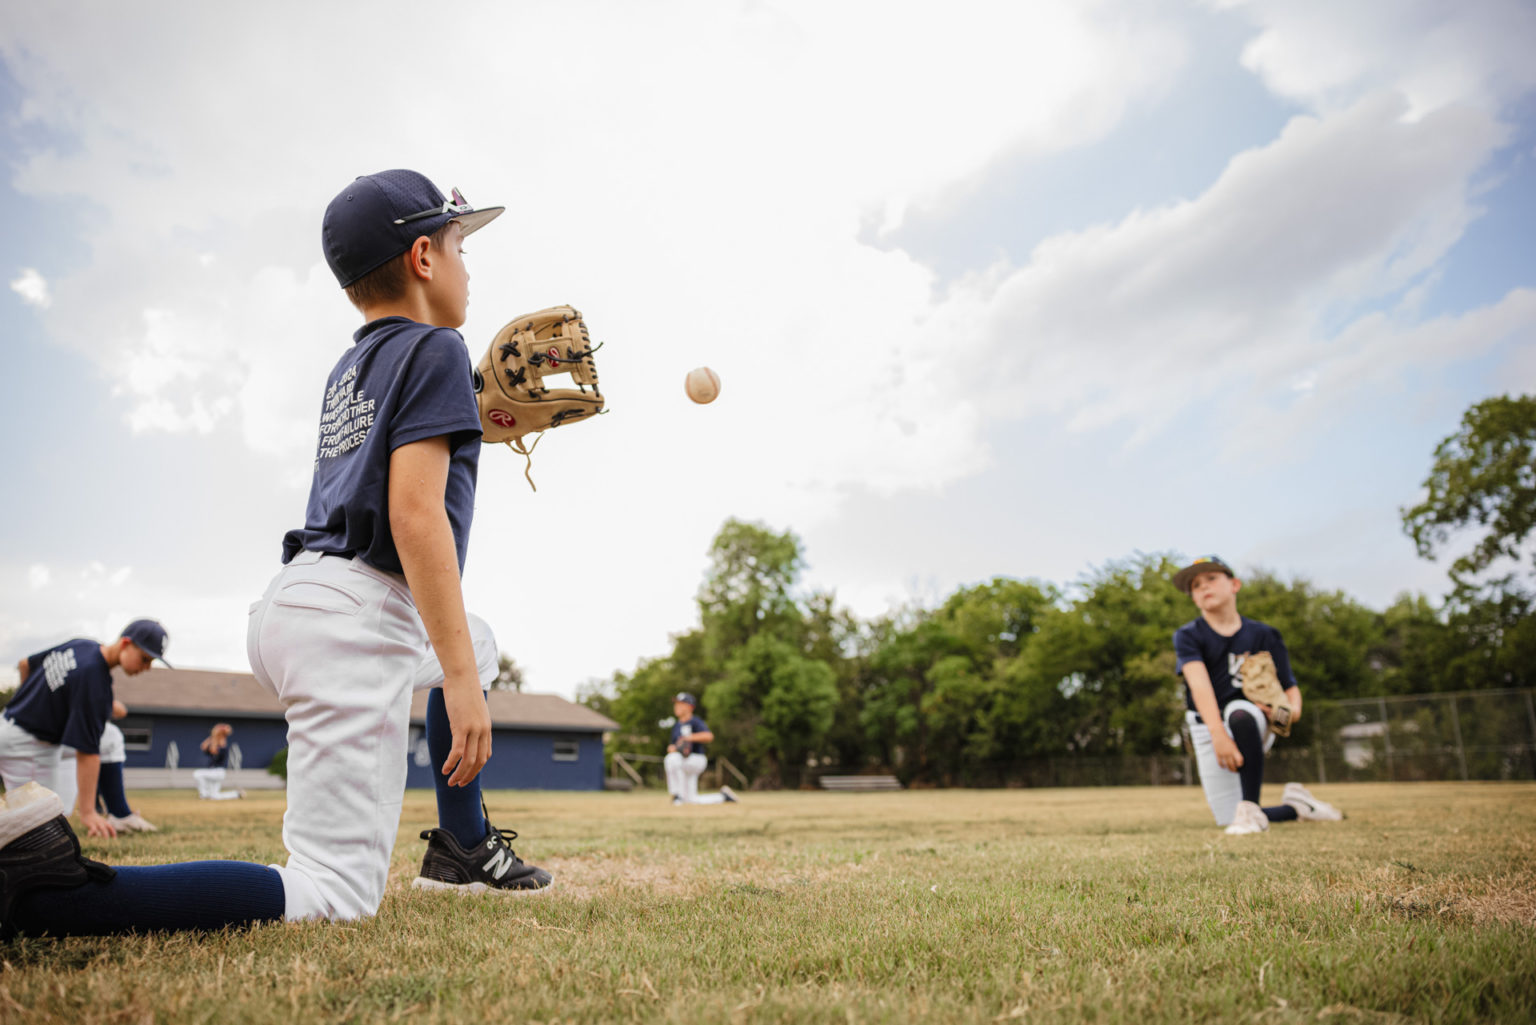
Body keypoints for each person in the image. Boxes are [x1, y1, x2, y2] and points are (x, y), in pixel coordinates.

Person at [0, 170, 550, 939]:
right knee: (330, 891)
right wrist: (457, 681)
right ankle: (58, 897)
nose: (470, 265)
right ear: (424, 257)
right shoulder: (438, 349)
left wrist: (475, 423)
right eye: (460, 244)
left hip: (303, 598)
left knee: (479, 639)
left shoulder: (355, 364)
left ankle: (462, 843)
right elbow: (414, 512)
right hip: (357, 619)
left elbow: (385, 473)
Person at [1172, 555, 1343, 835]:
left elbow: (1289, 686)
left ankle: (1251, 807)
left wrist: (1291, 712)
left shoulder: (1264, 634)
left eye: (1211, 578)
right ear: (1193, 598)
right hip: (1208, 725)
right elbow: (1199, 686)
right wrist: (1218, 735)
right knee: (1229, 818)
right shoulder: (1189, 635)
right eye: (1195, 585)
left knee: (1239, 711)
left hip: (1251, 719)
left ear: (1235, 584)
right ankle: (1298, 807)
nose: (1203, 587)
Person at [0, 620, 170, 840]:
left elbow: (25, 664)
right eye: (145, 659)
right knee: (45, 828)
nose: (146, 667)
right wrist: (88, 813)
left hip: (19, 725)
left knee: (111, 737)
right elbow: (87, 752)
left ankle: (119, 813)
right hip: (26, 745)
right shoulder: (95, 679)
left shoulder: (83, 646)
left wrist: (32, 701)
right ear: (126, 643)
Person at [664, 692, 738, 806]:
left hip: (696, 759)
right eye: (676, 704)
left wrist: (688, 738)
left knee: (671, 759)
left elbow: (709, 736)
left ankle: (676, 795)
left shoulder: (695, 721)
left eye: (680, 704)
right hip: (682, 763)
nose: (676, 706)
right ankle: (723, 797)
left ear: (690, 707)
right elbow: (673, 746)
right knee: (691, 799)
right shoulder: (676, 726)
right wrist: (673, 748)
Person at [97, 701, 158, 833]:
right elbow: (120, 711)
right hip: (63, 731)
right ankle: (120, 813)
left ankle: (99, 808)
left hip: (46, 729)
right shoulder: (90, 680)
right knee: (111, 735)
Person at [193, 723, 244, 801]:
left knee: (197, 774)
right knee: (214, 796)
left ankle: (204, 794)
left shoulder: (223, 746)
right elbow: (203, 746)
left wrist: (217, 733)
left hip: (218, 772)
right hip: (213, 772)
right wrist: (213, 736)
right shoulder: (215, 743)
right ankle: (236, 794)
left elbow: (214, 749)